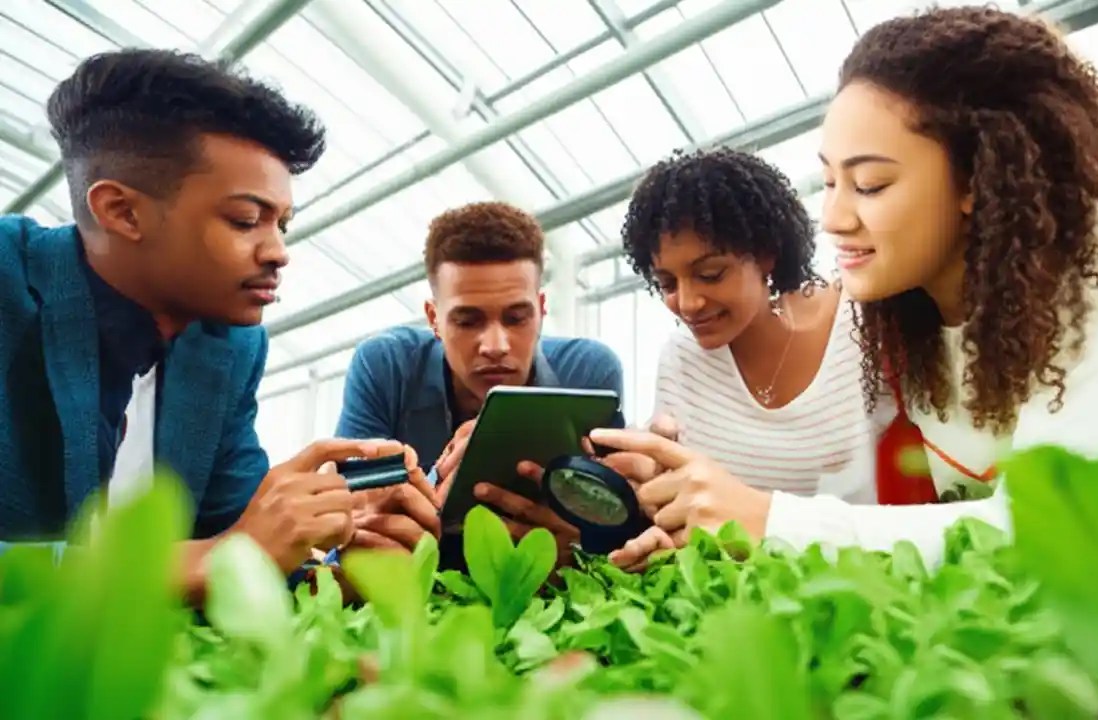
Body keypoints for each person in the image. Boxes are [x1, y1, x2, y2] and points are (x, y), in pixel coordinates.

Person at [589, 6, 1098, 569]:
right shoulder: (895, 306)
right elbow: (905, 513)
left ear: (977, 178)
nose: (833, 217)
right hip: (1067, 605)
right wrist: (708, 532)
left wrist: (766, 518)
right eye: (829, 181)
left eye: (872, 183)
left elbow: (1047, 526)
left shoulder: (1096, 254)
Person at [0, 49, 432, 602]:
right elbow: (224, 554)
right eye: (245, 220)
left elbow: (236, 534)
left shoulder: (227, 345)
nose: (278, 252)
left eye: (282, 224)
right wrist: (207, 560)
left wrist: (340, 571)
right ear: (122, 211)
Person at [335, 200, 627, 562]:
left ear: (541, 309)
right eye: (467, 321)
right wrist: (435, 483)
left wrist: (583, 543)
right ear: (434, 319)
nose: (494, 346)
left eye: (517, 318)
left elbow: (614, 530)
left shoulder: (589, 374)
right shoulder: (387, 367)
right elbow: (352, 519)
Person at [619, 147, 887, 503]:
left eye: (710, 275)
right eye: (667, 283)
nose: (687, 303)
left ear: (765, 256)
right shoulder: (681, 360)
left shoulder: (859, 323)